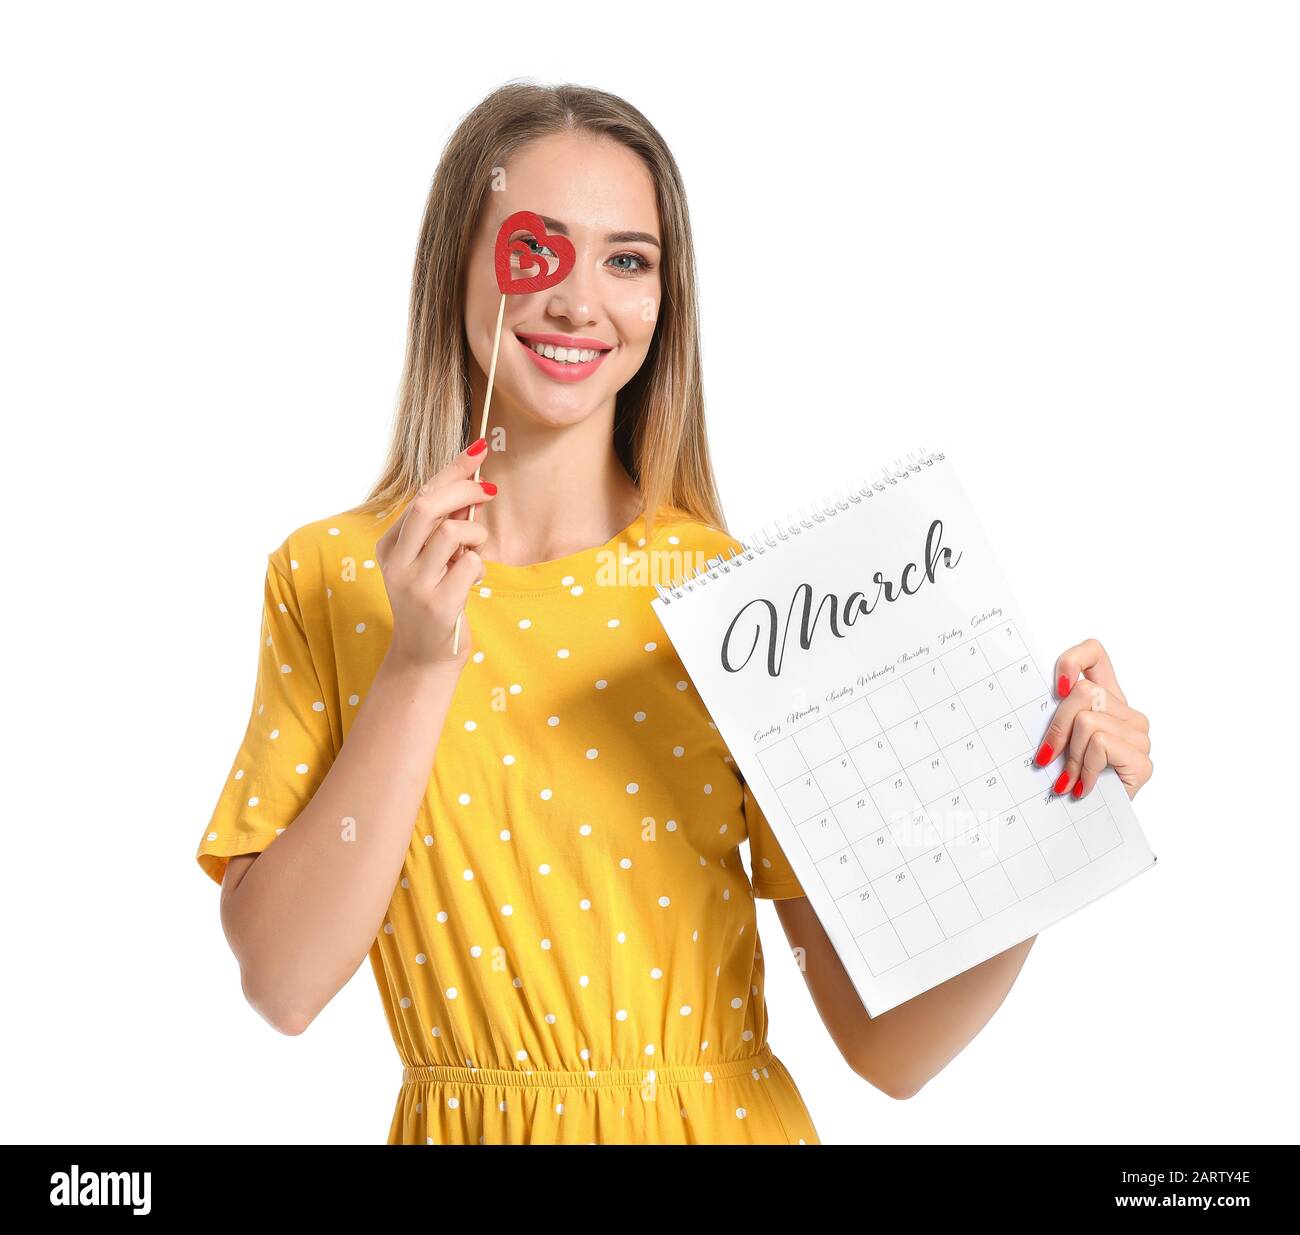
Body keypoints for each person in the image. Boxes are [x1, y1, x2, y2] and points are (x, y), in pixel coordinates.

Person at [195, 81, 1155, 1145]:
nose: (575, 300)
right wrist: (418, 664)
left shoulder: (739, 608)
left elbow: (887, 1049)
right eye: (534, 248)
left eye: (626, 259)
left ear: (665, 297)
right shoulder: (332, 576)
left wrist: (1054, 830)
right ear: (457, 268)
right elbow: (280, 983)